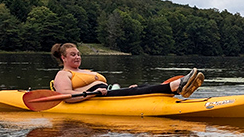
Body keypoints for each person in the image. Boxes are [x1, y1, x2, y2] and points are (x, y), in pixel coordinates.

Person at [51, 43, 205, 101]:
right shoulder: (63, 74)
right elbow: (67, 97)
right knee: (140, 90)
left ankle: (177, 89)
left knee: (140, 86)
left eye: (78, 54)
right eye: (73, 55)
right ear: (63, 57)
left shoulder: (85, 71)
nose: (77, 57)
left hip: (109, 93)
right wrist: (93, 92)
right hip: (98, 98)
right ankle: (177, 86)